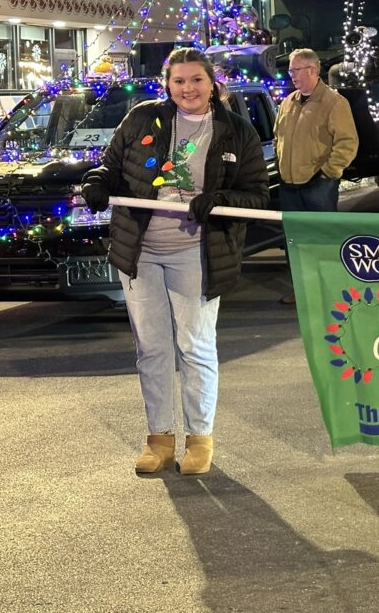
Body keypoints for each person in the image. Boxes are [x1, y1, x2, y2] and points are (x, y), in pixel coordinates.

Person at [80, 48, 270, 476]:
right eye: (179, 80)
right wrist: (96, 183)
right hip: (141, 251)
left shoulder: (236, 131)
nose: (188, 88)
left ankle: (199, 438)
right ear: (167, 84)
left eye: (196, 80)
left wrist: (220, 199)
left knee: (194, 347)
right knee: (151, 348)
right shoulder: (141, 119)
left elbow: (258, 195)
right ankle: (159, 439)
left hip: (197, 253)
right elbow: (110, 167)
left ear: (212, 83)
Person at [274, 48, 359, 304]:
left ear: (312, 70)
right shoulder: (288, 102)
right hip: (289, 185)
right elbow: (278, 137)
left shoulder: (334, 102)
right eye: (290, 70)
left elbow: (347, 142)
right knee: (295, 242)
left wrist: (328, 173)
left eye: (295, 70)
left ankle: (329, 292)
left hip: (318, 185)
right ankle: (302, 291)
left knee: (323, 240)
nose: (291, 75)